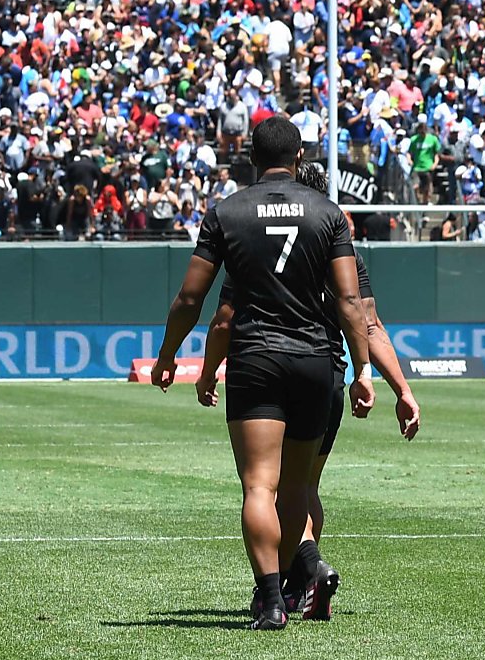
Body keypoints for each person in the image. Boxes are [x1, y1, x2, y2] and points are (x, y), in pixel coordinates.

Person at [149, 118, 372, 629]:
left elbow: (192, 297)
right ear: (299, 158)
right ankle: (289, 589)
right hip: (316, 360)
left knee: (257, 486)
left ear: (251, 158)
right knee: (296, 489)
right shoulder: (329, 213)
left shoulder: (226, 213)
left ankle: (270, 601)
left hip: (255, 359)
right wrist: (361, 369)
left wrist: (167, 356)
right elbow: (347, 300)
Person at [198, 159, 421, 620]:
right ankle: (301, 582)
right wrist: (394, 385)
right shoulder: (342, 249)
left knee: (266, 485)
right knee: (305, 486)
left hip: (265, 363)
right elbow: (368, 322)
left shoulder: (254, 242)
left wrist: (207, 369)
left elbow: (223, 319)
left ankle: (300, 572)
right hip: (327, 376)